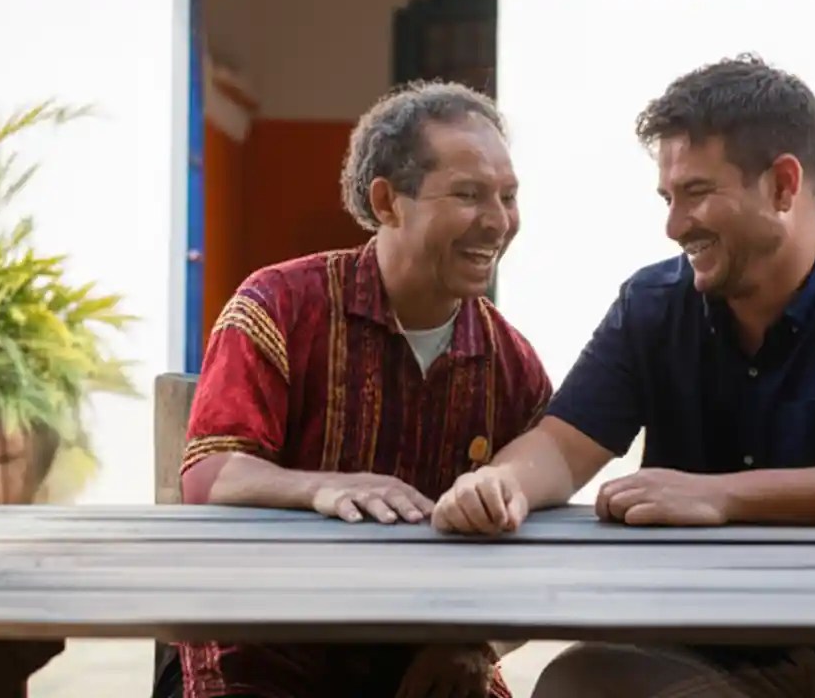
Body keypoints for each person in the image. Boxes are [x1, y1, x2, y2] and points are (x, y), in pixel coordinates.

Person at [431, 55, 815, 698]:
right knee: (579, 685)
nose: (675, 225)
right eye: (669, 197)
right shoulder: (652, 306)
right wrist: (500, 484)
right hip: (726, 651)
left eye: (699, 193)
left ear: (784, 186)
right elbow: (562, 447)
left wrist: (722, 495)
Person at [170, 80, 551, 698]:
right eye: (469, 194)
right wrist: (321, 487)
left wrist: (475, 646)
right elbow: (207, 474)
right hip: (264, 647)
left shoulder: (513, 365)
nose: (498, 221)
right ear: (387, 201)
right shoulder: (280, 305)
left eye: (508, 196)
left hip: (434, 655)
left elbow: (540, 541)